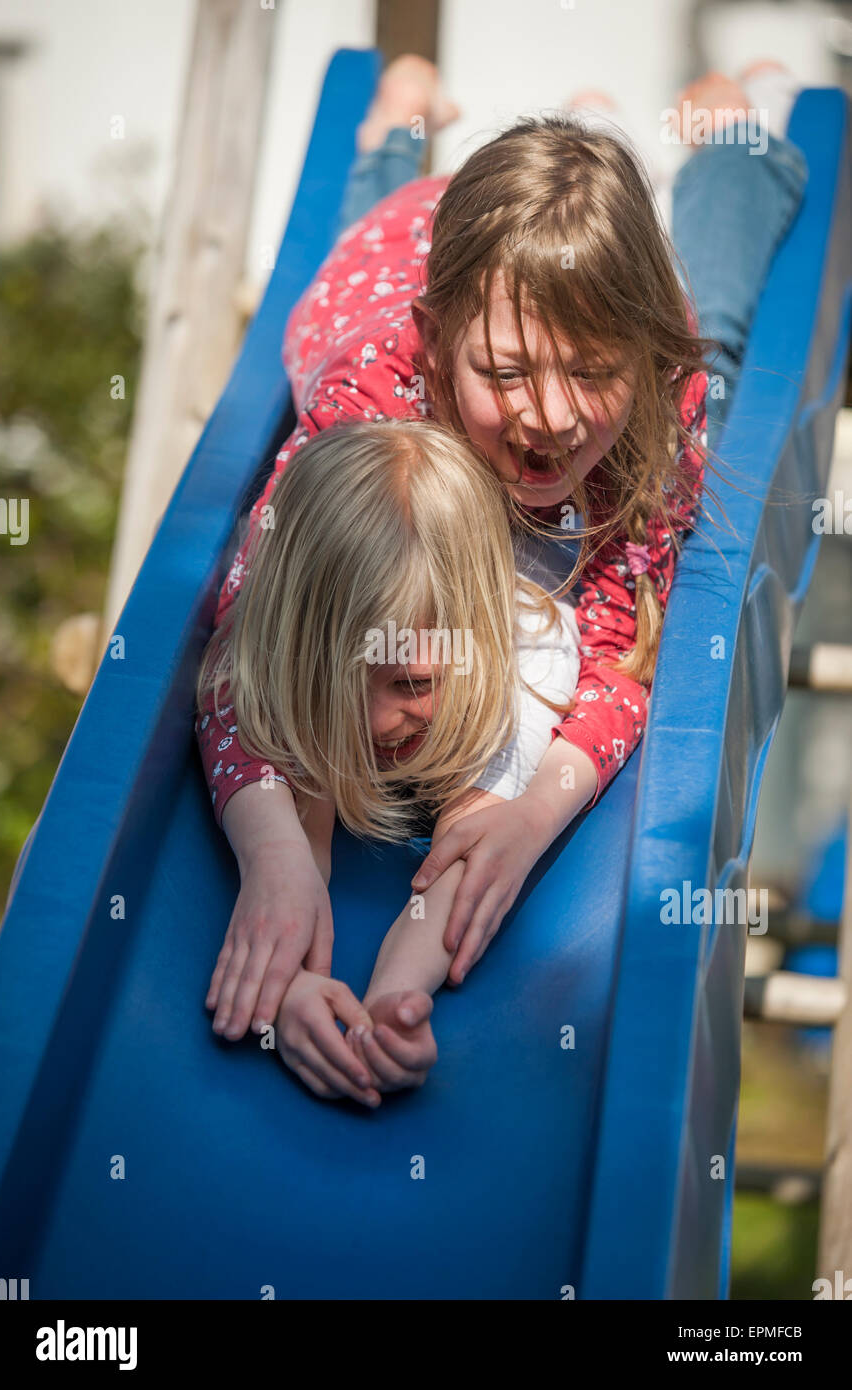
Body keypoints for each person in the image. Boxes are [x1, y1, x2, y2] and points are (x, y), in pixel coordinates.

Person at [199, 56, 804, 1098]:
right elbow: (255, 643)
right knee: (372, 246)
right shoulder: (366, 410)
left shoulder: (648, 418)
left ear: (644, 368)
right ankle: (399, 128)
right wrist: (276, 861)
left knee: (721, 347)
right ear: (439, 351)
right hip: (391, 256)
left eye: (592, 374)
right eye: (506, 373)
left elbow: (621, 651)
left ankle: (726, 149)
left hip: (554, 289)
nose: (550, 415)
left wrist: (522, 820)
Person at [198, 415, 581, 1104]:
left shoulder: (529, 655)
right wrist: (287, 989)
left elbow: (468, 854)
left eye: (413, 683)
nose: (376, 719)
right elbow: (298, 848)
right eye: (348, 680)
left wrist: (392, 1003)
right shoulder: (295, 634)